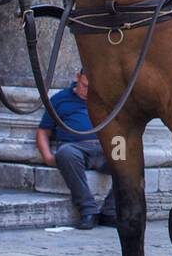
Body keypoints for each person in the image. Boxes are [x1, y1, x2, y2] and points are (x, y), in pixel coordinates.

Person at [36, 69, 116, 230]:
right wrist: (47, 155)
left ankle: (110, 211)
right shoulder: (60, 99)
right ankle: (88, 210)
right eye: (85, 86)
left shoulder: (106, 99)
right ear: (78, 78)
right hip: (75, 149)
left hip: (103, 148)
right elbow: (43, 131)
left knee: (130, 158)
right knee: (66, 153)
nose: (88, 91)